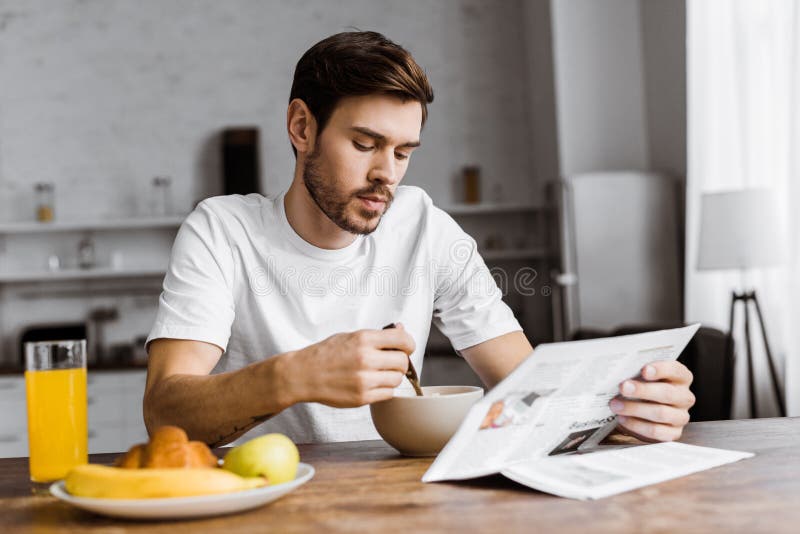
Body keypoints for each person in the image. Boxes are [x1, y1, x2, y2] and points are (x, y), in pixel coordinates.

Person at [143, 31, 695, 447]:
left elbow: (527, 388)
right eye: (365, 144)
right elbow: (165, 411)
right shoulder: (222, 231)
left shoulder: (424, 226)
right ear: (302, 127)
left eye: (404, 153)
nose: (388, 173)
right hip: (267, 503)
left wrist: (621, 415)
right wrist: (295, 375)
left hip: (398, 499)